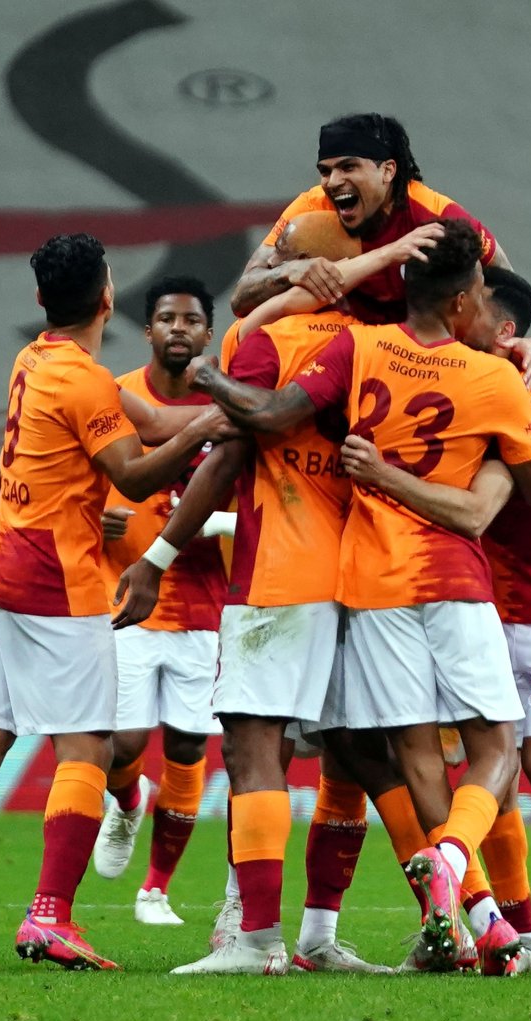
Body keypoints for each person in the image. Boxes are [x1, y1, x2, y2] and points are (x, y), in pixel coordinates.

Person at [188, 221, 531, 975]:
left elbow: (268, 416)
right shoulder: (494, 379)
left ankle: (483, 921)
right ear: (467, 298)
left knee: (412, 755)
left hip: (369, 585)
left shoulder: (358, 347)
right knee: (497, 747)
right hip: (454, 579)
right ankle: (455, 863)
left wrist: (209, 374)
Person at [112, 226, 446, 976]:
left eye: (271, 269)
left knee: (254, 749)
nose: (260, 280)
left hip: (280, 573)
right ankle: (386, 923)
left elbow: (231, 449)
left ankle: (257, 938)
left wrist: (157, 556)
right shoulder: (389, 345)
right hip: (368, 576)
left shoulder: (267, 342)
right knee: (355, 758)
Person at [0, 234, 232, 971]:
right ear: (109, 299)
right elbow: (139, 473)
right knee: (85, 748)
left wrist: (220, 417)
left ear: (41, 301)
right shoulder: (83, 381)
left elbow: (148, 422)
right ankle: (50, 917)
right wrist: (216, 428)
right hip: (56, 581)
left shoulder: (36, 361)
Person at [338, 266, 531, 976]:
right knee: (498, 775)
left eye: (471, 309)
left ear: (500, 330)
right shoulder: (466, 382)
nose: (455, 318)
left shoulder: (519, 401)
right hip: (497, 604)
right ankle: (520, 933)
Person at [90, 275, 237, 927]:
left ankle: (155, 889)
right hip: (126, 597)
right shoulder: (115, 397)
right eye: (167, 319)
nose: (179, 328)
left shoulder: (234, 404)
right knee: (120, 745)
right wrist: (102, 513)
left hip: (204, 605)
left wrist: (217, 523)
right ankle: (125, 805)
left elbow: (267, 500)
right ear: (148, 331)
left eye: (191, 319)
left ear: (209, 332)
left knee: (186, 747)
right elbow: (78, 479)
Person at [229, 113, 509, 319]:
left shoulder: (436, 214)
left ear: (388, 171)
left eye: (348, 167)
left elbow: (506, 283)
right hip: (333, 348)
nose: (333, 182)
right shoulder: (312, 206)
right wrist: (288, 271)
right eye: (325, 171)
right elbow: (241, 298)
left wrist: (511, 337)